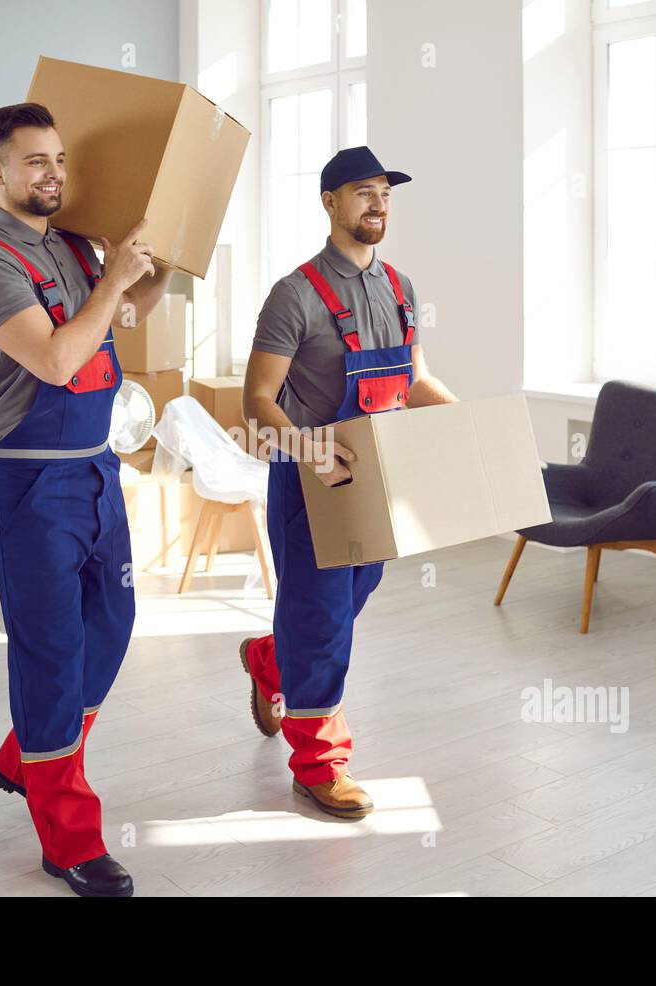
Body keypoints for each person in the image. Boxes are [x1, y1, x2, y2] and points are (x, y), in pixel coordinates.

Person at [0, 102, 171, 896]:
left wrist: (158, 266)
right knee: (50, 654)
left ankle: (24, 758)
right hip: (30, 479)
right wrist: (112, 278)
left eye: (59, 160)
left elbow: (122, 321)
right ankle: (69, 840)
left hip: (96, 468)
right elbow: (53, 358)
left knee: (111, 625)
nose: (53, 175)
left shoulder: (76, 248)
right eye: (34, 162)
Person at [239, 146, 459, 818]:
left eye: (386, 195)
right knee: (325, 619)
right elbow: (257, 400)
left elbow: (414, 377)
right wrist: (308, 451)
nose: (377, 205)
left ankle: (272, 659)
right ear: (330, 203)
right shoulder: (295, 295)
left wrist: (473, 429)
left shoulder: (400, 287)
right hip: (311, 484)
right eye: (363, 193)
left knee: (339, 604)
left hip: (376, 478)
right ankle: (319, 767)